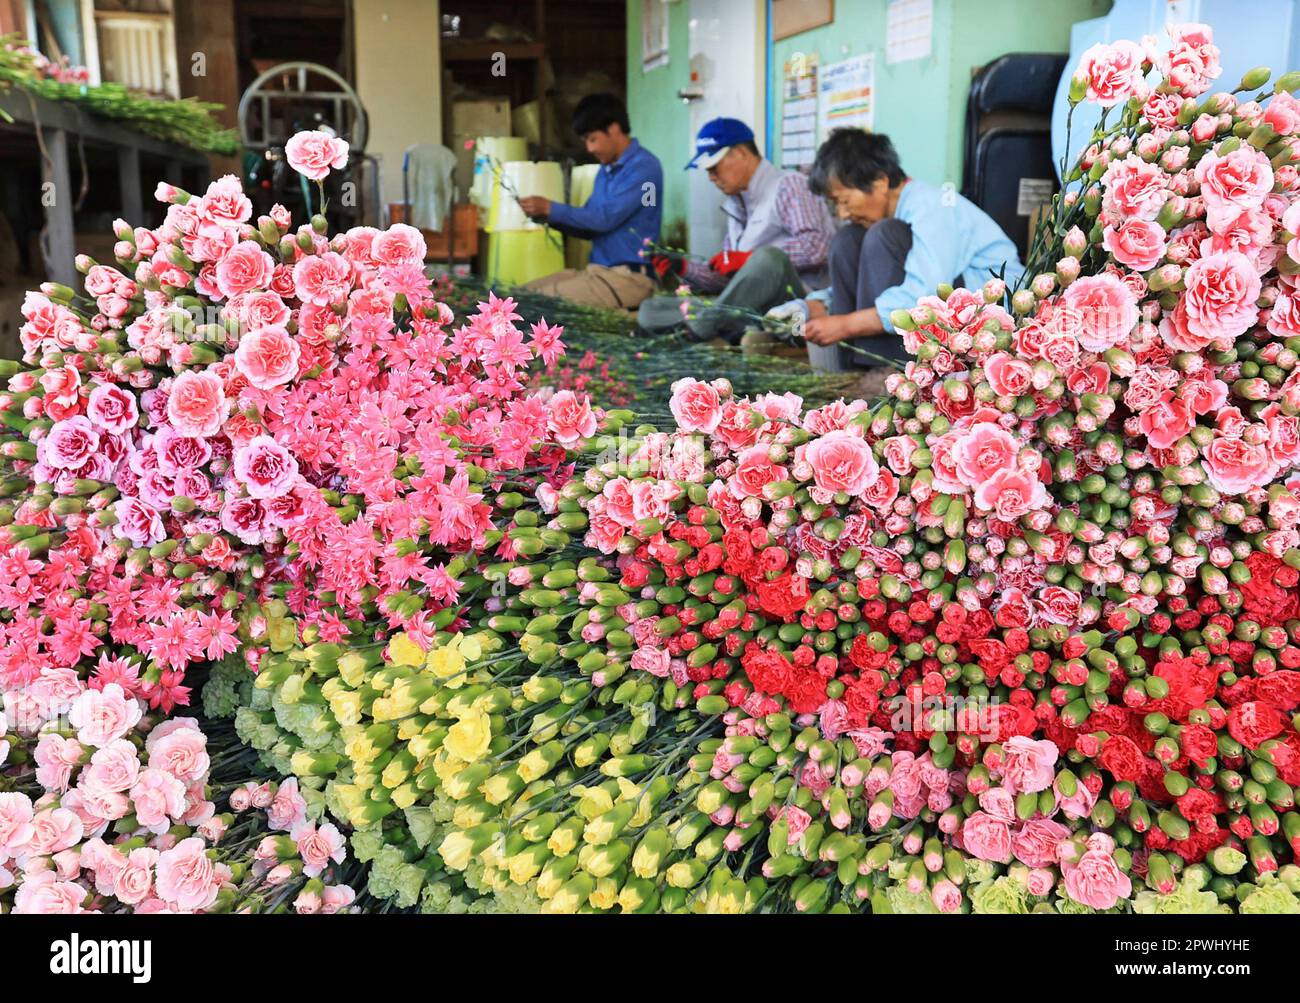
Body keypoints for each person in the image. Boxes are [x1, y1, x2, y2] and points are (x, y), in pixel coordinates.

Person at [769, 129, 1023, 389]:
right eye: (835, 204)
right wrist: (810, 307)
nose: (843, 212)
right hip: (935, 306)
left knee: (883, 234)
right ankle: (851, 372)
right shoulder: (883, 218)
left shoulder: (931, 206)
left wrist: (845, 325)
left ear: (879, 181)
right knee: (847, 239)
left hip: (989, 313)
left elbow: (922, 292)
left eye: (844, 200)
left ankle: (886, 372)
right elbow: (872, 286)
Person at [637, 117, 834, 340]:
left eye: (714, 167)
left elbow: (819, 248)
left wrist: (748, 258)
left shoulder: (789, 185)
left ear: (741, 153)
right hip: (750, 307)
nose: (711, 177)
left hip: (797, 308)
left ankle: (698, 330)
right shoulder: (736, 203)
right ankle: (712, 327)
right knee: (651, 308)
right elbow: (731, 282)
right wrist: (682, 267)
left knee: (769, 258)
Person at [517, 93, 663, 310]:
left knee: (532, 306)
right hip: (599, 272)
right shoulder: (606, 171)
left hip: (629, 278)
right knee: (514, 298)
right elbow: (589, 225)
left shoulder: (644, 168)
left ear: (613, 129)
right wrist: (547, 216)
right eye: (586, 141)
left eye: (592, 139)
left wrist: (551, 207)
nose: (589, 149)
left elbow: (603, 220)